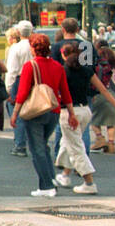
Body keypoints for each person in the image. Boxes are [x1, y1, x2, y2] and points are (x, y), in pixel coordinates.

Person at [52, 41, 115, 193]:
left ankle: (89, 183)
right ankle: (65, 174)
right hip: (85, 110)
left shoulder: (62, 71)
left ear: (63, 54)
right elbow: (104, 90)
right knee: (69, 142)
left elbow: (60, 94)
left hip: (70, 112)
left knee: (75, 147)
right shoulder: (86, 70)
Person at [9, 34, 76, 198]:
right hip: (53, 111)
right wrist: (71, 113)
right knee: (43, 146)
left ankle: (46, 186)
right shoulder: (57, 66)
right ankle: (51, 178)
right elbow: (65, 92)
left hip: (35, 112)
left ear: (33, 48)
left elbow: (23, 92)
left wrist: (15, 113)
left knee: (37, 149)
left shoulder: (30, 66)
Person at [90, 43, 115, 154]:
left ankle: (100, 138)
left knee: (94, 119)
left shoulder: (96, 62)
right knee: (111, 121)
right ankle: (111, 144)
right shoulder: (114, 63)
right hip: (112, 93)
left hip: (98, 93)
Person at [4, 23, 33, 156]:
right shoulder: (34, 45)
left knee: (17, 111)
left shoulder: (16, 48)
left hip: (19, 80)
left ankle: (20, 144)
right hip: (34, 79)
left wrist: (9, 88)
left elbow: (12, 70)